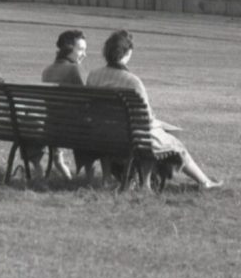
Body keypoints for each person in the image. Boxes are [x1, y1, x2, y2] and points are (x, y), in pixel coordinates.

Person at [86, 29, 220, 190]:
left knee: (150, 134)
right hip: (133, 137)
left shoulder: (93, 76)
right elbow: (146, 119)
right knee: (174, 142)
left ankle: (108, 178)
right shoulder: (132, 81)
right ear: (127, 53)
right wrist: (160, 125)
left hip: (102, 134)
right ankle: (203, 182)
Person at [39, 30, 87, 179]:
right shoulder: (74, 69)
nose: (84, 54)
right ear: (68, 48)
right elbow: (87, 100)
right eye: (81, 49)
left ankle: (63, 170)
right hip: (72, 130)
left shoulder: (47, 70)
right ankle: (89, 177)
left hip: (50, 127)